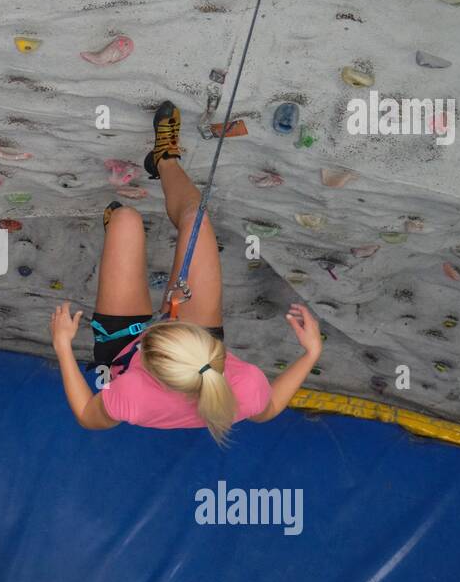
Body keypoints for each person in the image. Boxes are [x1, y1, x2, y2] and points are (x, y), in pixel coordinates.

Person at [49, 101, 323, 444]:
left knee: (126, 221)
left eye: (166, 326)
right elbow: (268, 410)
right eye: (178, 326)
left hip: (123, 348)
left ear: (149, 360)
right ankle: (163, 159)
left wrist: (62, 346)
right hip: (180, 344)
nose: (169, 319)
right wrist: (311, 353)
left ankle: (120, 231)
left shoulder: (131, 394)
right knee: (198, 219)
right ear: (213, 352)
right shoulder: (245, 387)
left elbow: (89, 417)